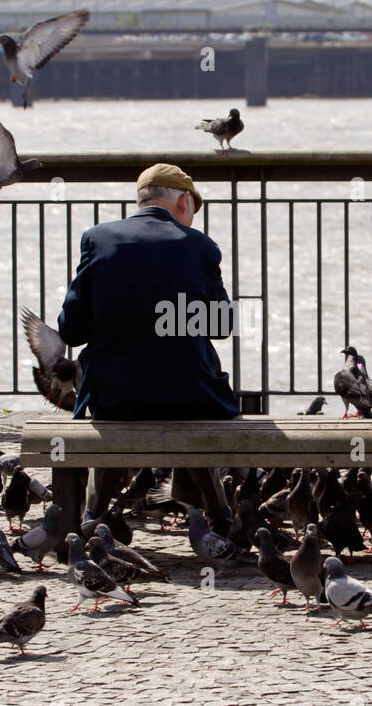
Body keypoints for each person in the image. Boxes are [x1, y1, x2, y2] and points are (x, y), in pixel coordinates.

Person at [57, 163, 239, 529]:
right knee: (189, 401)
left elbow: (71, 330)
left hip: (114, 398)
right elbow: (221, 326)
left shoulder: (97, 238)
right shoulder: (201, 246)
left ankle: (93, 516)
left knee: (120, 406)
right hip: (190, 396)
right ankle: (218, 515)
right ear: (183, 200)